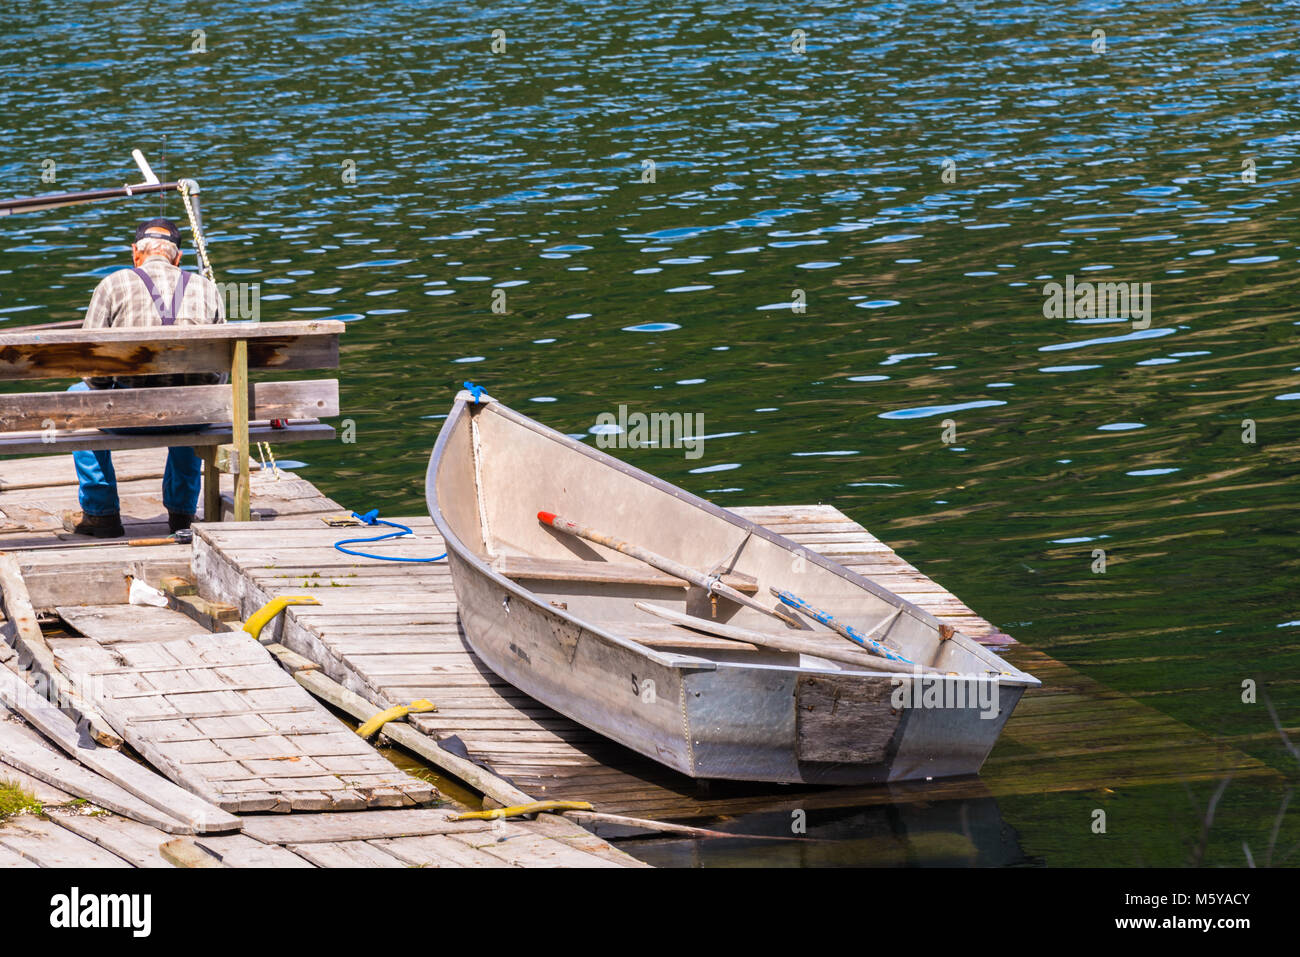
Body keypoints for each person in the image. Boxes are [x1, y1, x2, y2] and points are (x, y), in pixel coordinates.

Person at [67, 218, 226, 538]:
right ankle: (182, 513)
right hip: (188, 417)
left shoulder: (113, 284)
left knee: (76, 396)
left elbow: (92, 369)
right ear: (178, 257)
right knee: (195, 401)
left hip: (129, 415)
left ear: (135, 253)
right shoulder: (206, 288)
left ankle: (101, 513)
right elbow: (218, 372)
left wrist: (109, 386)